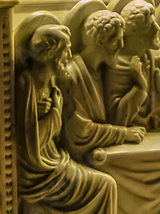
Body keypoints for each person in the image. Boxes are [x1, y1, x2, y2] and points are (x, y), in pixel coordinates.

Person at [16, 23, 125, 214]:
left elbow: (58, 131)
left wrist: (56, 106)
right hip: (38, 169)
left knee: (103, 179)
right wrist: (54, 113)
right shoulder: (27, 83)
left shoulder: (52, 82)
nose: (68, 57)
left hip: (54, 159)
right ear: (51, 53)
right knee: (105, 185)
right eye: (65, 51)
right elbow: (28, 142)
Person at [60, 9, 146, 162]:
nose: (122, 45)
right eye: (117, 39)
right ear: (100, 41)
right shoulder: (73, 75)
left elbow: (117, 119)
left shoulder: (101, 71)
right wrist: (123, 134)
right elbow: (80, 131)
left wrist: (140, 88)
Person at [104, 0, 160, 130]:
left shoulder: (151, 55)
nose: (157, 28)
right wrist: (139, 88)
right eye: (150, 26)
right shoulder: (116, 65)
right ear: (133, 32)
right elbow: (117, 119)